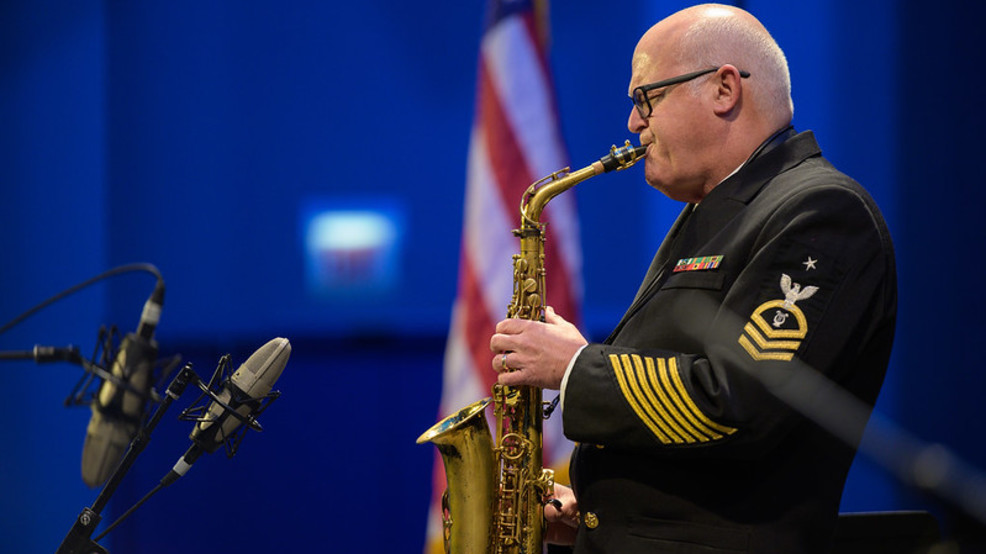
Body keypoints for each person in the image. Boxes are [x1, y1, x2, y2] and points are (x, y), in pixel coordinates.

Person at [489, 3, 897, 553]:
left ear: (724, 89)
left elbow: (738, 404)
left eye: (645, 98)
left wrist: (574, 368)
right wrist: (604, 514)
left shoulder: (821, 212)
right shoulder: (714, 212)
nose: (634, 123)